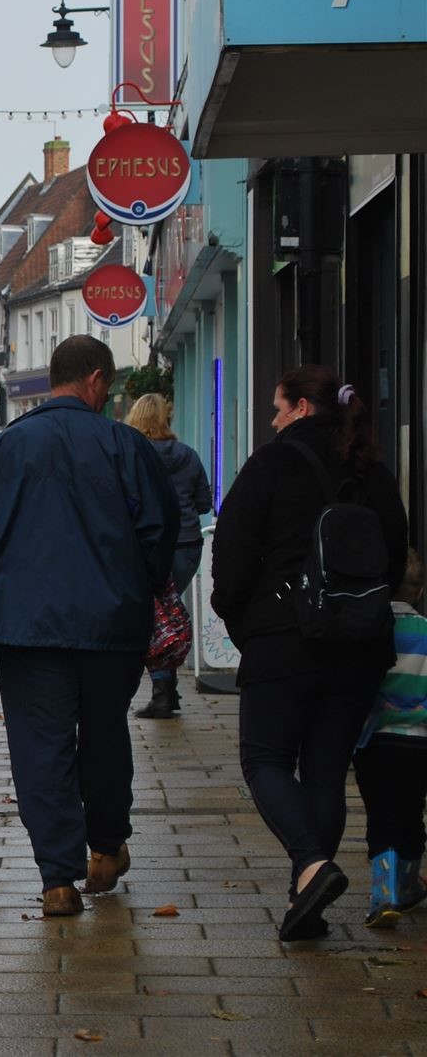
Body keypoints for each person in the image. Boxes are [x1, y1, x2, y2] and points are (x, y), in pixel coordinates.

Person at [0, 336, 177, 918]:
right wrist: (150, 588)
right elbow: (158, 530)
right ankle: (105, 847)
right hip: (110, 622)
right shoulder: (123, 445)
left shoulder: (5, 449)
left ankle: (57, 879)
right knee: (105, 734)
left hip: (25, 626)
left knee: (39, 747)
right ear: (97, 381)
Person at [212, 366, 408, 940]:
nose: (272, 420)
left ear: (300, 409)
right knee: (324, 769)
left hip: (284, 640)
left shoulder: (271, 465)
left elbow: (232, 560)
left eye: (277, 408)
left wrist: (244, 622)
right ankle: (308, 900)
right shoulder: (373, 473)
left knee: (265, 760)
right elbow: (393, 561)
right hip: (361, 646)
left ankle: (313, 866)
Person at [124, 394, 214, 720]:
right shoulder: (188, 456)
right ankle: (168, 690)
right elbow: (204, 502)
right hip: (188, 546)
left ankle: (162, 693)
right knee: (168, 614)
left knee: (156, 618)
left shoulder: (134, 454)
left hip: (150, 546)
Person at [353, 551, 426, 927]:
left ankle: (384, 893)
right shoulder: (426, 632)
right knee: (412, 812)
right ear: (419, 591)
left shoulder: (371, 631)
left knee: (381, 812)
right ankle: (410, 883)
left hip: (375, 741)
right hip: (419, 743)